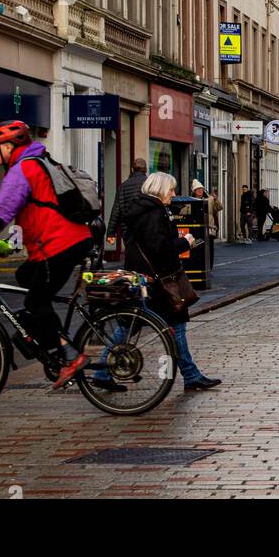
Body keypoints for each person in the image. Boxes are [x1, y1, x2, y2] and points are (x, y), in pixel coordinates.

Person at [0, 120, 94, 389]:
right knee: (25, 276)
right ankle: (44, 336)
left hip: (60, 244)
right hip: (64, 242)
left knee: (37, 301)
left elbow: (0, 212)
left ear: (10, 146)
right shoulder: (36, 162)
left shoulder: (22, 169)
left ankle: (69, 354)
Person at [124, 172, 220, 392]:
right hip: (157, 279)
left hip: (148, 277)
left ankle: (190, 375)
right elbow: (159, 247)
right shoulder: (153, 213)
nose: (173, 194)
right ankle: (190, 375)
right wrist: (184, 243)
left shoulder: (145, 210)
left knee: (131, 324)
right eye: (171, 190)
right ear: (159, 190)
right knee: (171, 325)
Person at [107, 158, 148, 250]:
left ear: (132, 169)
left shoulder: (123, 186)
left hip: (127, 229)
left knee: (131, 256)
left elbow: (116, 210)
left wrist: (111, 233)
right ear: (146, 169)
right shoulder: (149, 183)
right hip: (145, 228)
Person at [190, 180, 222, 266]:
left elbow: (219, 207)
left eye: (201, 189)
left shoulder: (210, 199)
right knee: (199, 248)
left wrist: (216, 199)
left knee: (210, 249)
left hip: (209, 229)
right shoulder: (191, 201)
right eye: (197, 189)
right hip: (197, 229)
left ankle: (209, 266)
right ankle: (200, 266)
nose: (200, 191)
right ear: (194, 191)